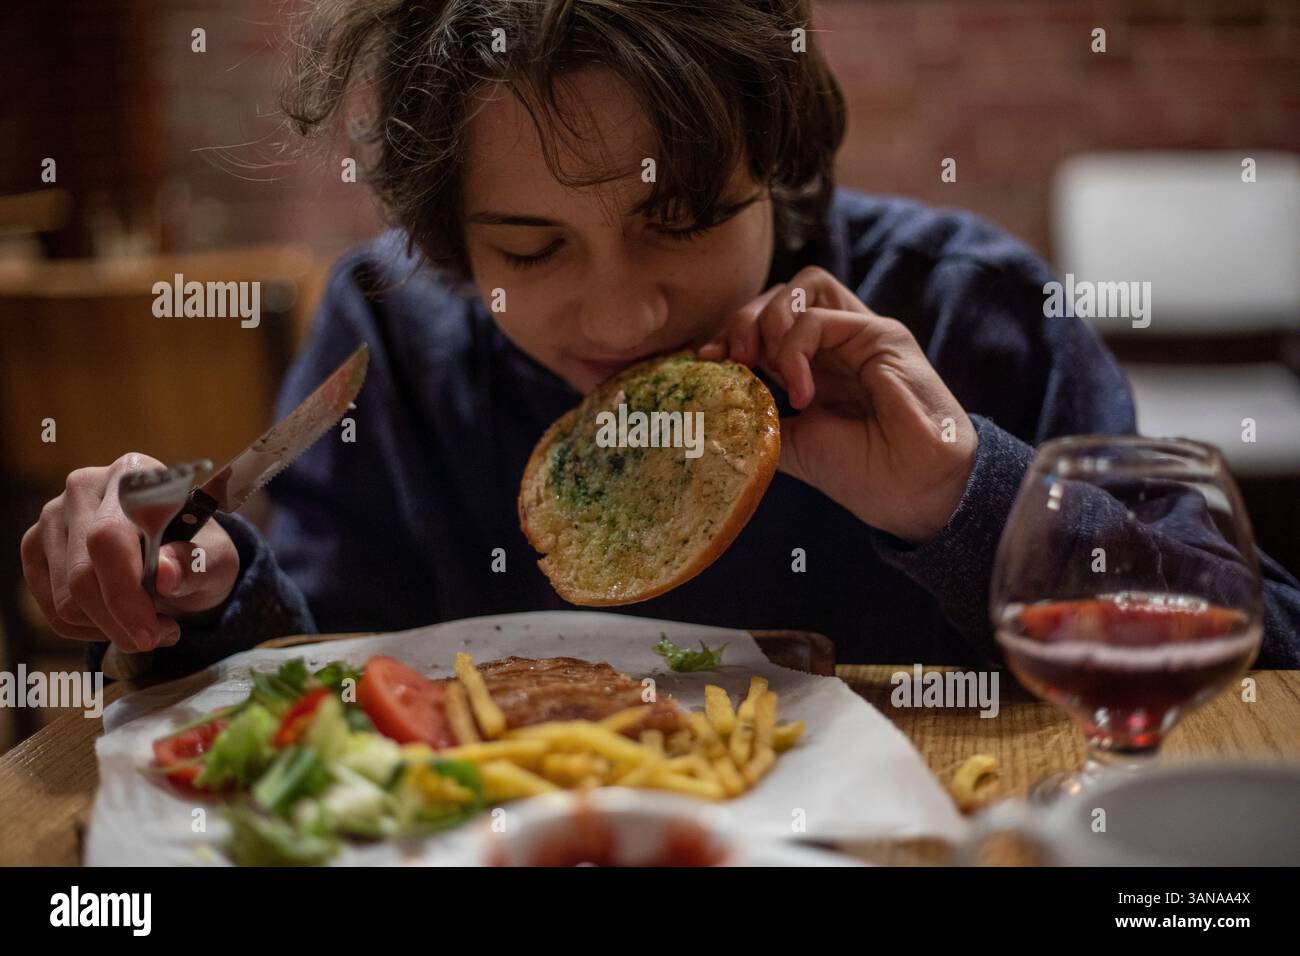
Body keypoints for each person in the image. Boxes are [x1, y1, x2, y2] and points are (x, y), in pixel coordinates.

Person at [20, 0, 1300, 673]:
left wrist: (969, 497)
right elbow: (322, 688)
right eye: (529, 250)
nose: (624, 314)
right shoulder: (393, 345)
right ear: (451, 239)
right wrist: (194, 594)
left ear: (780, 169)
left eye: (681, 219)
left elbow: (1265, 668)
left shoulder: (972, 311)